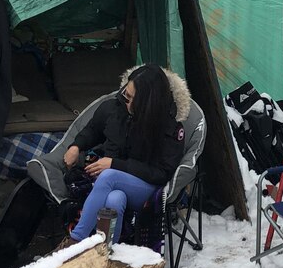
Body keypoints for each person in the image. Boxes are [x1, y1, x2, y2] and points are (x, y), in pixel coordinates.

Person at [60, 64, 189, 245]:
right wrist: (76, 146)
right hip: (115, 183)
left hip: (147, 188)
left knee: (108, 176)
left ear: (147, 102)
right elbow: (93, 130)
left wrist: (115, 164)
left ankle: (74, 242)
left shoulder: (169, 129)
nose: (125, 99)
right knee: (114, 199)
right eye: (126, 94)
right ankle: (107, 251)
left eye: (131, 98)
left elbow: (161, 174)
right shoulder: (115, 108)